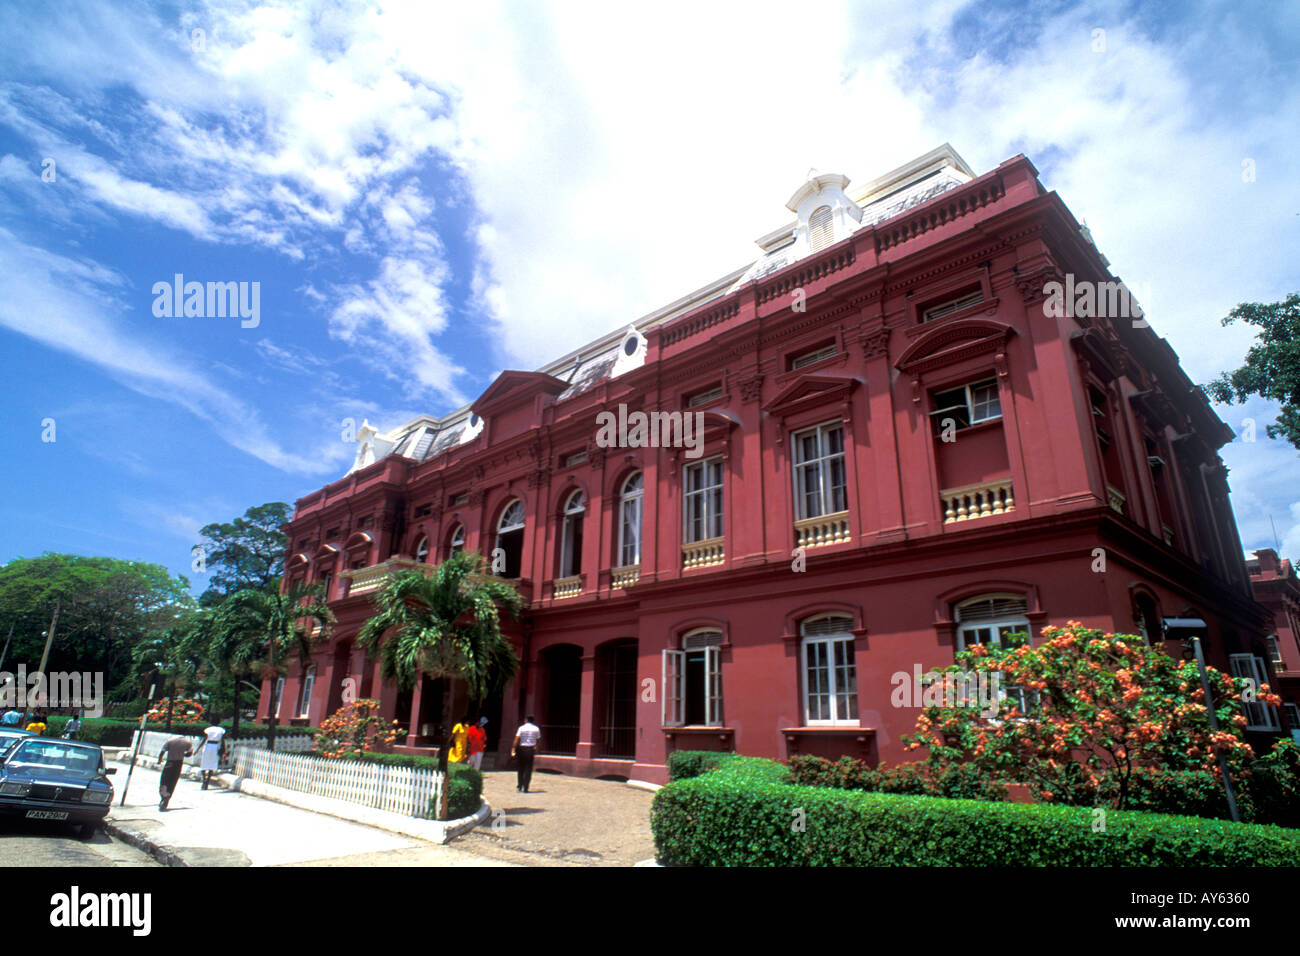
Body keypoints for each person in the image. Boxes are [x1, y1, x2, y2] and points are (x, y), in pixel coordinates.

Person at [158, 734, 194, 810]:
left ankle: (163, 797)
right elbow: (190, 753)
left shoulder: (170, 740)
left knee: (164, 781)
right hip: (179, 764)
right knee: (172, 782)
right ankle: (166, 799)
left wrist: (159, 760)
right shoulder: (187, 742)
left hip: (169, 763)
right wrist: (183, 754)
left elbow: (162, 751)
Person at [511, 715, 541, 793]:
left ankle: (519, 786)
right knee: (528, 768)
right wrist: (536, 746)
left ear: (526, 720)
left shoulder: (521, 728)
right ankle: (526, 787)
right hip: (530, 749)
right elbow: (538, 740)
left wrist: (513, 748)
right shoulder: (536, 729)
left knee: (520, 768)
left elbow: (517, 739)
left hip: (522, 748)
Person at [198, 720, 226, 790]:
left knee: (204, 763)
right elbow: (223, 740)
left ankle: (204, 779)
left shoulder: (208, 730)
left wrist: (198, 748)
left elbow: (204, 739)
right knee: (212, 764)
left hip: (207, 746)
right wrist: (223, 748)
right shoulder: (221, 730)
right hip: (215, 746)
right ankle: (207, 780)